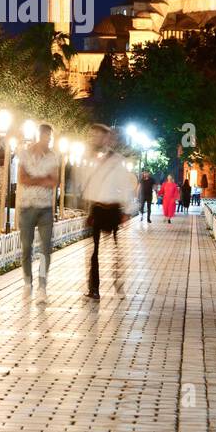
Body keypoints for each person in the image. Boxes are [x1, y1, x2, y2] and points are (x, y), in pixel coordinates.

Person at [80, 125, 138, 300]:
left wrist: (127, 211)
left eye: (100, 135)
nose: (96, 138)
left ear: (107, 138)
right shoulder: (88, 159)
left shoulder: (116, 160)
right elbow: (85, 184)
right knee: (93, 252)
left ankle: (118, 281)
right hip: (96, 208)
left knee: (118, 250)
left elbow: (125, 185)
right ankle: (94, 288)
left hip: (113, 208)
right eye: (93, 134)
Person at [15, 122, 60, 299]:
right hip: (26, 207)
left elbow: (54, 181)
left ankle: (42, 285)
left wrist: (33, 178)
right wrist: (42, 178)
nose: (48, 140)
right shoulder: (25, 154)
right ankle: (27, 281)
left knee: (45, 248)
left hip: (45, 209)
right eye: (46, 136)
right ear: (39, 136)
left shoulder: (53, 157)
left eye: (50, 137)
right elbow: (21, 179)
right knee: (26, 247)